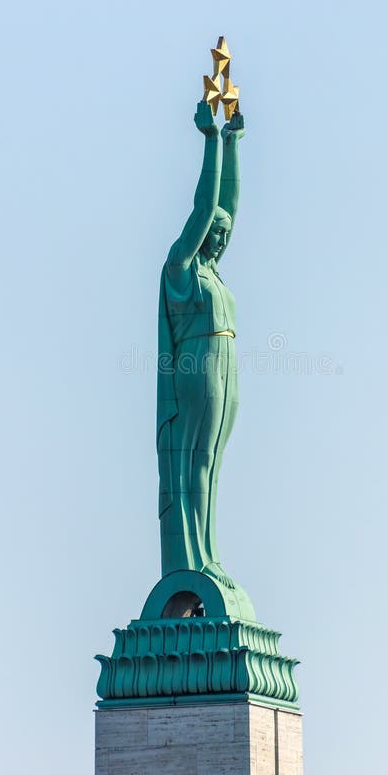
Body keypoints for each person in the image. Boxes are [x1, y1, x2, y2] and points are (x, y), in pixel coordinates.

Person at [156, 100, 245, 587]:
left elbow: (226, 206)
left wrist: (235, 146)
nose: (224, 232)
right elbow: (208, 207)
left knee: (211, 462)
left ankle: (206, 552)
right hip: (197, 369)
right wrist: (212, 143)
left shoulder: (214, 273)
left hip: (225, 368)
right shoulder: (181, 269)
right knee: (193, 462)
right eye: (217, 230)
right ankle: (191, 557)